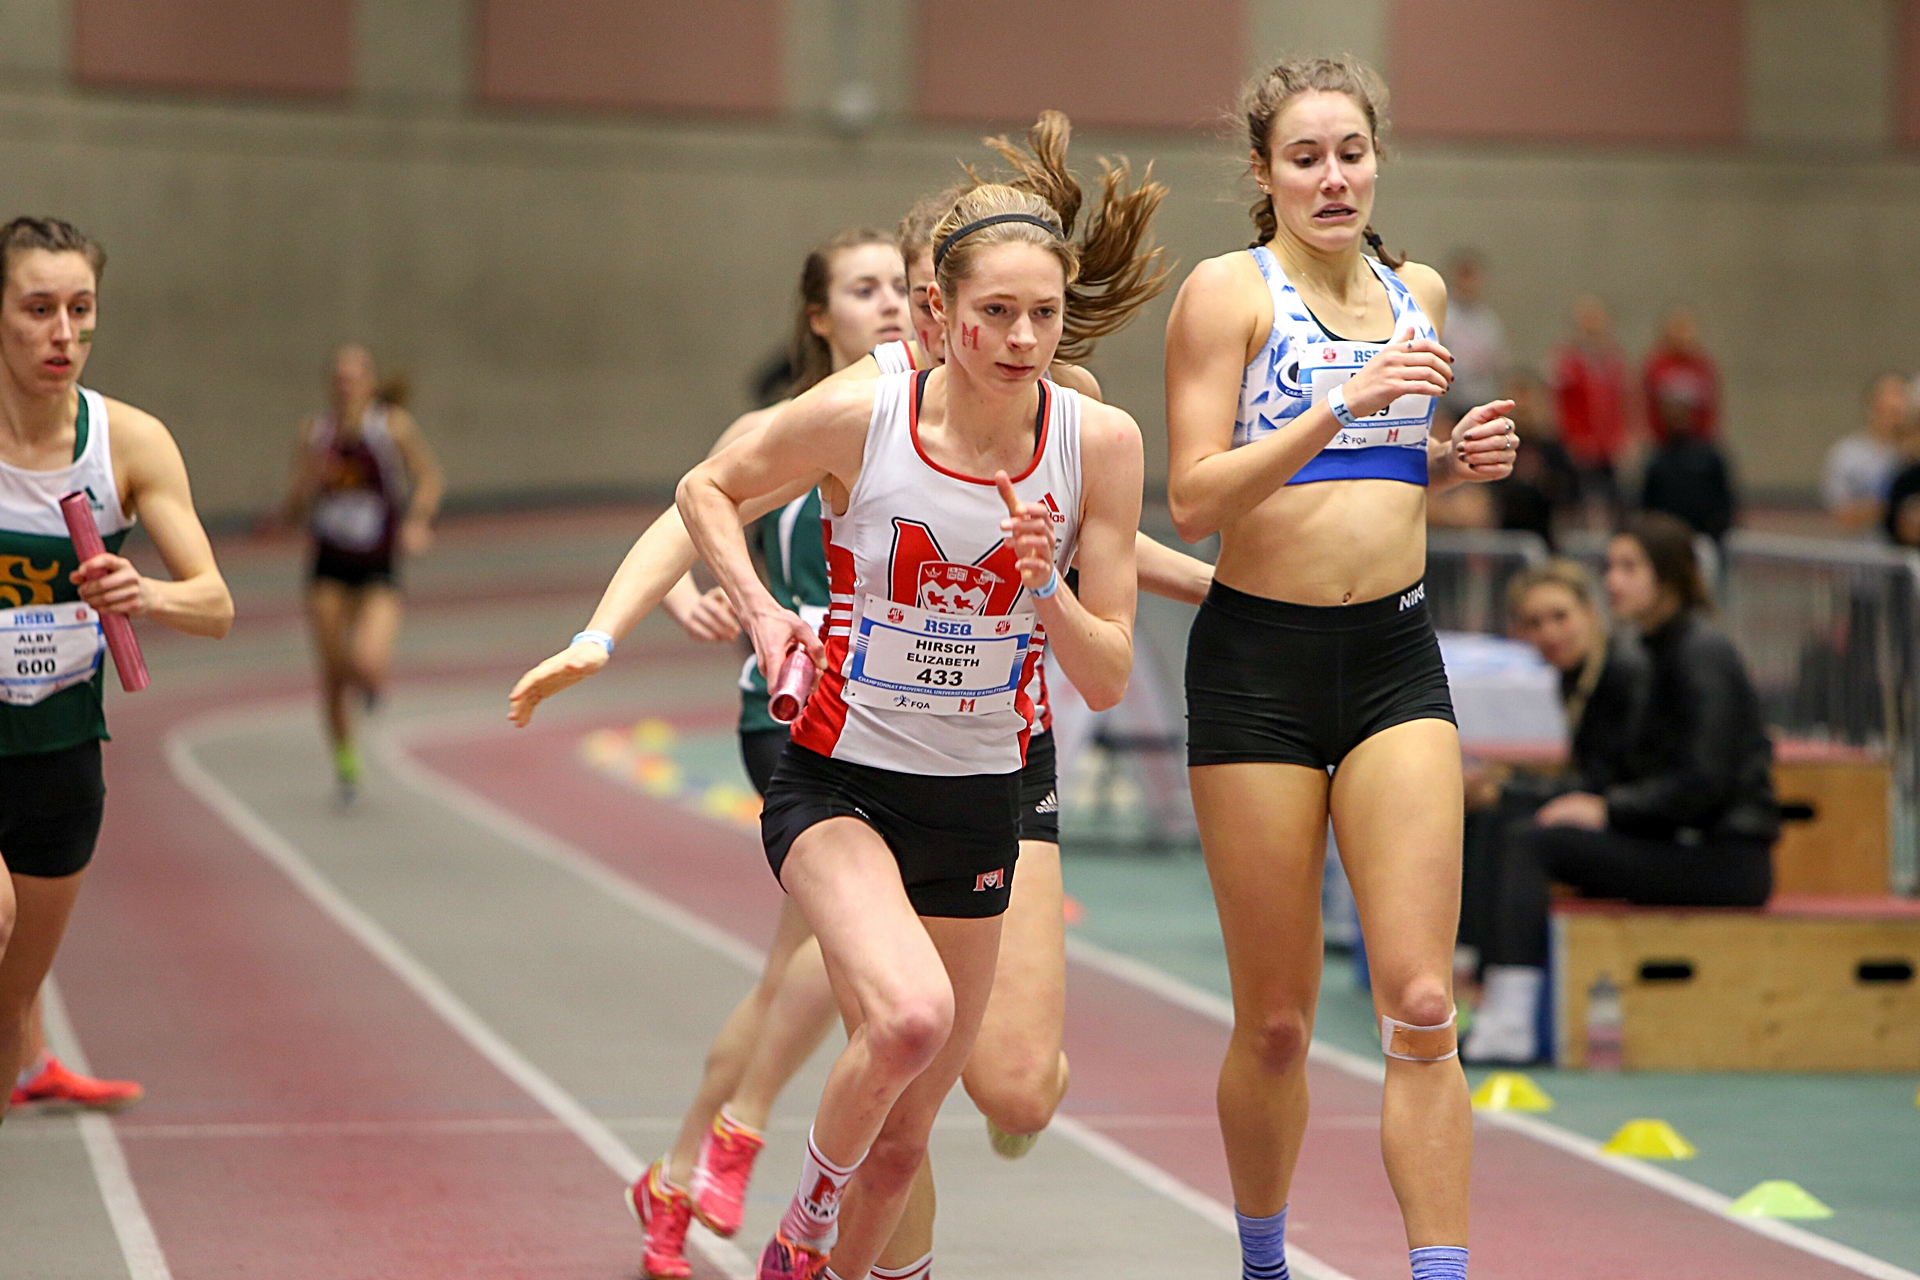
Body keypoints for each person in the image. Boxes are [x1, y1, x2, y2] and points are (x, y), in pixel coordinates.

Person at [680, 173, 1154, 1280]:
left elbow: (1107, 676)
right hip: (839, 780)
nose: (1022, 338)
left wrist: (1047, 588)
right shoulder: (865, 414)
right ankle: (803, 1221)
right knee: (908, 1019)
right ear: (939, 309)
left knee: (902, 1146)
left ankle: (821, 1251)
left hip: (980, 800)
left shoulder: (1100, 442)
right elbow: (707, 488)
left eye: (1044, 314)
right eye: (997, 312)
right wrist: (761, 612)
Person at [1163, 57, 1516, 1280]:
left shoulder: (1416, 292)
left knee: (1421, 1001)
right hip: (1257, 670)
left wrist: (1452, 461)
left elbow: (1382, 470)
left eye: (1351, 153)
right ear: (1263, 173)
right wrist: (1339, 404)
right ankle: (1265, 1262)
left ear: (1378, 160)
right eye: (1305, 157)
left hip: (1392, 662)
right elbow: (1194, 498)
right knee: (1277, 1022)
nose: (1332, 177)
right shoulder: (1228, 294)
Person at [0, 215, 233, 1120]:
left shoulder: (126, 444)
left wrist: (146, 593)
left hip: (59, 753)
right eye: (38, 309)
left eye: (81, 308)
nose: (63, 333)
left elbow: (213, 604)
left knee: (10, 1005)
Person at [1465, 514, 1777, 1064]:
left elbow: (1705, 783)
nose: (1612, 581)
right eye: (1610, 567)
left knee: (1531, 843)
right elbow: (1633, 773)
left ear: (1670, 575)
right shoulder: (1659, 650)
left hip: (1723, 858)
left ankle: (1511, 1021)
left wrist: (1608, 810)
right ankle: (1484, 991)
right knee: (1515, 822)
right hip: (1679, 839)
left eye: (1629, 567)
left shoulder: (1700, 653)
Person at [1457, 562, 1646, 1015]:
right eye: (1535, 623)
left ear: (1590, 613)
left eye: (1560, 617)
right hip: (1610, 802)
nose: (1549, 633)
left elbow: (1606, 781)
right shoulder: (1576, 676)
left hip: (1639, 821)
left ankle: (1500, 990)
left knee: (1511, 823)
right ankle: (1469, 964)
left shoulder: (1623, 673)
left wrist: (1508, 789)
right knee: (1484, 810)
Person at [282, 346, 442, 800]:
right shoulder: (316, 435)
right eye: (339, 377)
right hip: (329, 565)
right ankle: (346, 761)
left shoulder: (390, 428)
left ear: (370, 382)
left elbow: (429, 477)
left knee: (367, 663)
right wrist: (309, 481)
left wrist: (416, 521)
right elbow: (293, 510)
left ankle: (371, 687)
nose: (346, 385)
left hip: (378, 565)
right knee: (333, 673)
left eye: (354, 377)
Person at [1552, 295, 1630, 520]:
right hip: (1579, 446)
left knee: (1612, 504)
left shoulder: (1613, 362)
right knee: (1579, 502)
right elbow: (1560, 405)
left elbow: (1622, 403)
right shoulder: (1567, 362)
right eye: (1586, 319)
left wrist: (1623, 437)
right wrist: (1571, 438)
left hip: (1609, 447)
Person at [1490, 371, 1579, 549]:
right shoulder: (1496, 444)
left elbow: (1569, 495)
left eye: (1529, 399)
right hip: (1500, 539)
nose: (1524, 407)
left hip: (1546, 539)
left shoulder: (1553, 450)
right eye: (1518, 400)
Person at [1823, 373, 1911, 536]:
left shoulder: (1912, 456)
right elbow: (1842, 514)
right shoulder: (1847, 454)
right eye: (1893, 394)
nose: (1899, 402)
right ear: (1873, 405)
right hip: (1862, 548)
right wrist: (1894, 505)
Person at [1639, 404, 1736, 542]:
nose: (1677, 424)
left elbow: (1724, 494)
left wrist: (1719, 527)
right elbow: (1648, 503)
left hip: (1705, 535)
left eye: (1680, 418)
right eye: (1673, 419)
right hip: (1667, 537)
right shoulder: (1658, 460)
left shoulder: (1708, 456)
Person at [1437, 251, 1506, 422]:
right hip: (1450, 403)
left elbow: (1498, 362)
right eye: (1464, 276)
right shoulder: (1443, 317)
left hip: (1481, 398)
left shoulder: (1487, 320)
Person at [1641, 305, 1719, 445]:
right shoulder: (1656, 366)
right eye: (1677, 329)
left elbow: (1709, 407)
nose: (1682, 335)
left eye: (1685, 329)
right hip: (1663, 443)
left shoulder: (1701, 366)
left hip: (1697, 442)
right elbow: (1646, 404)